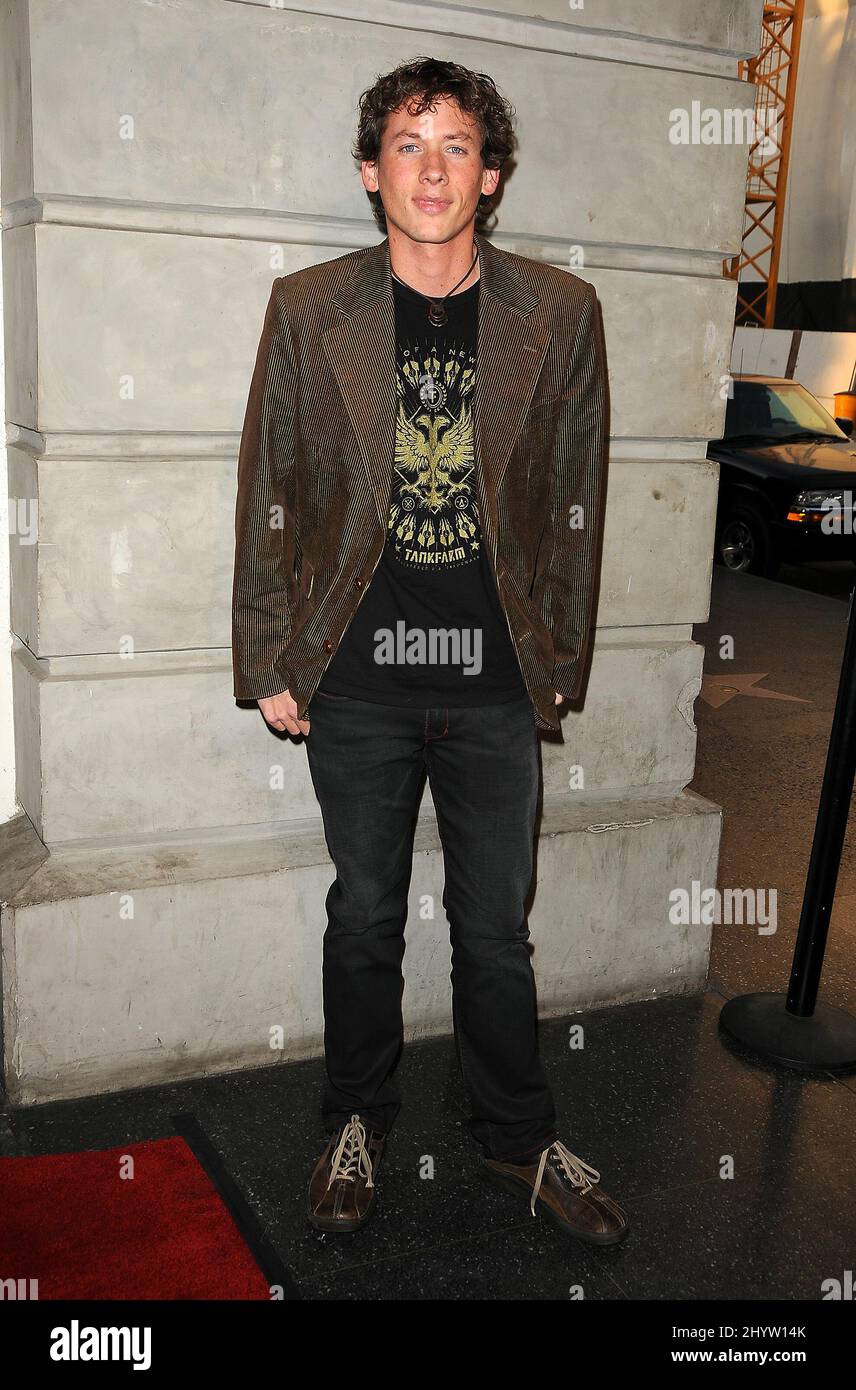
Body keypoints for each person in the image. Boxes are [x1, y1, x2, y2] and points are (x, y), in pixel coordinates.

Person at [231, 55, 628, 1245]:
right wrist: (268, 656)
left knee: (496, 926)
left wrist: (559, 654)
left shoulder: (557, 313)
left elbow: (575, 498)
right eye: (409, 143)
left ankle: (514, 1132)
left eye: (457, 144)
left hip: (496, 677)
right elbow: (269, 489)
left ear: (489, 175)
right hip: (354, 674)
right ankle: (355, 1116)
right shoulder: (310, 310)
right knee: (363, 914)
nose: (433, 167)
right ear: (370, 174)